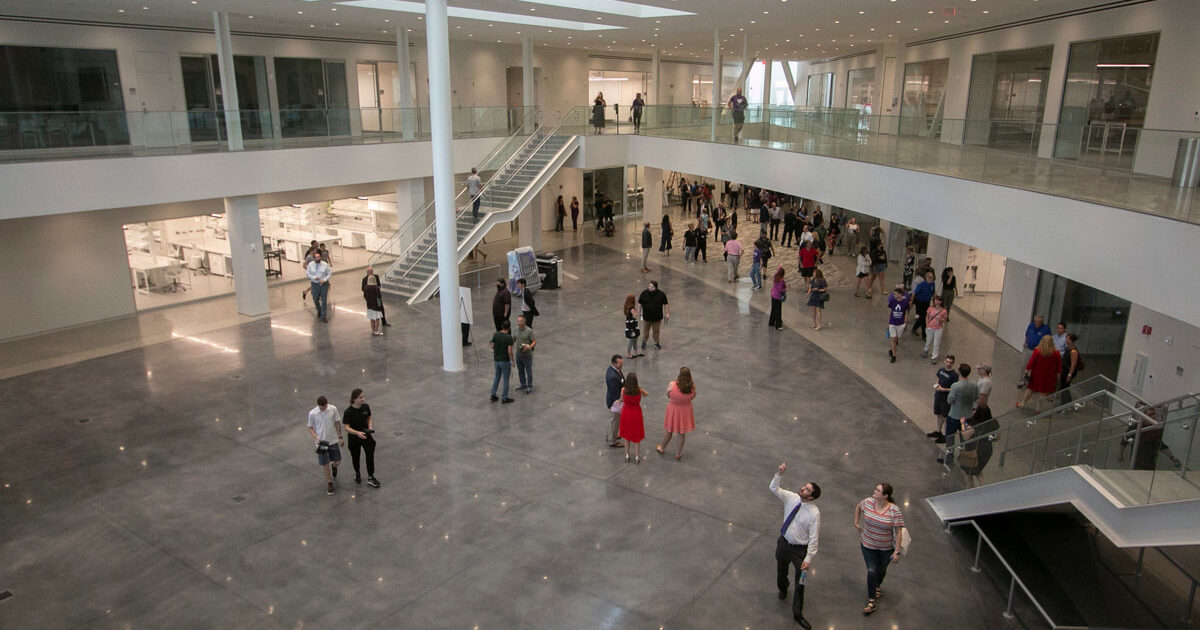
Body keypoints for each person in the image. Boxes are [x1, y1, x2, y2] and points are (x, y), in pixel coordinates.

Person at [770, 462, 821, 629]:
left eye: (807, 490)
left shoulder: (813, 513)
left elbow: (814, 537)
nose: (803, 489)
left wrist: (809, 557)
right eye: (804, 487)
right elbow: (774, 489)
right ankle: (783, 588)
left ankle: (798, 613)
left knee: (801, 581)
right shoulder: (792, 498)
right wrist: (779, 473)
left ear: (811, 497)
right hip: (784, 543)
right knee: (780, 571)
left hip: (799, 550)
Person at [853, 483, 905, 616]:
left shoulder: (894, 510)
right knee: (871, 570)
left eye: (878, 490)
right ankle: (871, 600)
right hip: (867, 544)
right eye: (875, 488)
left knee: (881, 569)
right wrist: (856, 522)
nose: (874, 491)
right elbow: (858, 507)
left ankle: (877, 585)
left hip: (886, 548)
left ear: (885, 496)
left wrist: (896, 551)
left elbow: (899, 532)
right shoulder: (868, 502)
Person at [940, 363, 978, 465]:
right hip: (967, 416)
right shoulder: (974, 385)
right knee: (964, 438)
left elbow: (950, 400)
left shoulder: (955, 386)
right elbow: (976, 398)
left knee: (950, 438)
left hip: (954, 415)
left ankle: (949, 459)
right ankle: (963, 457)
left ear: (959, 372)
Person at [342, 388, 381, 488]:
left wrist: (370, 425)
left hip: (366, 436)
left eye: (363, 397)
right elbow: (346, 427)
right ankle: (357, 473)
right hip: (354, 438)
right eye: (360, 398)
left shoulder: (365, 407)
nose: (363, 399)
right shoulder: (348, 412)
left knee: (370, 455)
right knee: (355, 457)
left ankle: (371, 476)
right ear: (354, 399)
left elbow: (369, 417)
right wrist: (357, 433)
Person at [657, 367, 697, 460]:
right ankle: (678, 454)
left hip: (673, 410)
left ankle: (662, 448)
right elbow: (693, 396)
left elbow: (668, 394)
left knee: (669, 431)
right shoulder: (692, 387)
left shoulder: (672, 384)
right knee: (681, 433)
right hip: (685, 411)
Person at [307, 395, 343, 496]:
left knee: (338, 461)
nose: (325, 408)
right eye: (323, 407)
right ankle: (329, 483)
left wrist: (340, 437)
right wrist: (316, 437)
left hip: (333, 440)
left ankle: (334, 466)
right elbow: (310, 427)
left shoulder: (333, 409)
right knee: (325, 464)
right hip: (321, 443)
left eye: (326, 405)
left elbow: (337, 423)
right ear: (319, 406)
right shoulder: (313, 413)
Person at [960, 400, 998, 487]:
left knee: (968, 471)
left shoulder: (973, 424)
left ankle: (971, 489)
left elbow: (965, 436)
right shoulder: (990, 422)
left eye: (973, 410)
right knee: (978, 470)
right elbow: (997, 436)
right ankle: (982, 487)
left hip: (974, 451)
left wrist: (963, 423)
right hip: (987, 450)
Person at [1019, 335, 1061, 409]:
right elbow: (1058, 367)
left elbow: (1031, 363)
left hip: (1037, 375)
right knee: (1042, 392)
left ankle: (1023, 403)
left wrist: (1026, 372)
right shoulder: (1056, 353)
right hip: (1049, 376)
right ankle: (1038, 408)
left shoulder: (1037, 351)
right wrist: (1058, 377)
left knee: (1030, 389)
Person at [927, 354, 959, 444]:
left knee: (945, 417)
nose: (948, 364)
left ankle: (946, 435)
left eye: (950, 362)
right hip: (938, 396)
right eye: (947, 361)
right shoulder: (941, 370)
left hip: (945, 399)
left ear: (953, 363)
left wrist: (943, 389)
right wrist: (937, 384)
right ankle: (938, 431)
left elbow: (953, 389)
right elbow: (938, 379)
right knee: (938, 415)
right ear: (945, 361)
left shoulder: (954, 375)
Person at [619, 372, 648, 464]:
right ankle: (636, 457)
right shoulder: (638, 390)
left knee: (627, 436)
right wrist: (641, 390)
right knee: (637, 436)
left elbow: (622, 400)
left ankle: (627, 455)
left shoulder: (623, 390)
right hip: (636, 413)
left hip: (626, 412)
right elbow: (646, 394)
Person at [1020, 315, 1052, 386]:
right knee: (1024, 365)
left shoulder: (1046, 329)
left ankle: (1032, 383)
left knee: (1035, 368)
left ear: (1042, 322)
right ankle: (1022, 381)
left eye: (1039, 322)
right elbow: (1027, 335)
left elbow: (1049, 340)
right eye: (1036, 321)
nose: (1037, 323)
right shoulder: (1031, 326)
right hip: (1028, 349)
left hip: (1038, 352)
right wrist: (1025, 342)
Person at [637, 280, 669, 350]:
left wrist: (667, 313)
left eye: (652, 287)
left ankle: (656, 343)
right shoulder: (644, 293)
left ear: (656, 288)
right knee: (646, 331)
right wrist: (639, 312)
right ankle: (644, 342)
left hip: (657, 319)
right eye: (649, 286)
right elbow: (640, 303)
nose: (650, 288)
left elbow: (665, 304)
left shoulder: (661, 294)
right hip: (647, 318)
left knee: (656, 332)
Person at [489, 319, 515, 403]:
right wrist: (513, 361)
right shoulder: (509, 337)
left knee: (497, 376)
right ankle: (504, 397)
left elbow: (492, 346)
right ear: (509, 327)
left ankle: (493, 394)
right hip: (505, 361)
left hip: (496, 360)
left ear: (502, 326)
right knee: (506, 379)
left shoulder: (496, 334)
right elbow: (509, 351)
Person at [886, 284, 911, 363]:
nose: (894, 295)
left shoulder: (905, 303)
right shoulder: (892, 302)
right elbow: (890, 312)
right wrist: (888, 323)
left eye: (896, 294)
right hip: (893, 323)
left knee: (896, 338)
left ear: (900, 294)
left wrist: (905, 323)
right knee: (893, 339)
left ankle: (891, 349)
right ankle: (894, 355)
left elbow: (906, 313)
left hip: (900, 323)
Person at [921, 294, 949, 363]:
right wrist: (927, 325)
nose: (937, 302)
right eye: (936, 300)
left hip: (938, 329)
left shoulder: (944, 311)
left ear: (941, 301)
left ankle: (934, 356)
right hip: (930, 327)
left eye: (939, 300)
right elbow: (927, 316)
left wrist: (941, 319)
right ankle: (926, 350)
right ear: (934, 301)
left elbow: (945, 320)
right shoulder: (930, 308)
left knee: (936, 343)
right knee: (928, 341)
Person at [306, 250, 332, 322]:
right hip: (314, 284)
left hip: (323, 284)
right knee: (315, 299)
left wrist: (324, 280)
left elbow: (329, 274)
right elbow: (308, 274)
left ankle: (323, 316)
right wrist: (314, 277)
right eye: (316, 257)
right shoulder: (310, 265)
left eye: (319, 257)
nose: (318, 258)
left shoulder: (325, 265)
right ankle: (319, 310)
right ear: (314, 258)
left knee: (324, 300)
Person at [605, 355, 625, 448]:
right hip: (614, 401)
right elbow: (615, 392)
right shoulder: (613, 376)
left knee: (613, 420)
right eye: (620, 363)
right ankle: (612, 441)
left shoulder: (614, 369)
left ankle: (610, 435)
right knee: (615, 421)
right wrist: (619, 401)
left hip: (614, 400)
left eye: (622, 363)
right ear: (614, 363)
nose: (621, 365)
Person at [513, 315, 536, 394]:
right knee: (520, 370)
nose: (519, 323)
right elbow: (514, 338)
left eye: (520, 321)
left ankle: (529, 386)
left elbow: (534, 341)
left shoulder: (529, 331)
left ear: (524, 322)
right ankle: (523, 384)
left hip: (527, 355)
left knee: (528, 370)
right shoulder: (515, 329)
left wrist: (529, 347)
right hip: (518, 354)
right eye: (518, 321)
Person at [911, 270, 936, 340]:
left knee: (922, 318)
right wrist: (911, 302)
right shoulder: (921, 285)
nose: (931, 279)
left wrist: (934, 302)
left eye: (932, 278)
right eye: (929, 277)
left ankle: (914, 328)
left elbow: (933, 293)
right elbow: (914, 293)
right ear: (926, 277)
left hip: (927, 302)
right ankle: (924, 335)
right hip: (920, 302)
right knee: (923, 318)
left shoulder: (933, 284)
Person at [1059, 333, 1083, 404]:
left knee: (1064, 387)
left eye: (1068, 339)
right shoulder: (1068, 348)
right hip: (1064, 370)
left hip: (1068, 371)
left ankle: (1065, 403)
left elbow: (1073, 364)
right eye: (1066, 338)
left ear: (1072, 340)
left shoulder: (1073, 351)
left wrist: (1069, 375)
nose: (1067, 340)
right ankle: (1068, 402)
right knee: (1064, 387)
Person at [866, 227, 888, 298]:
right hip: (877, 260)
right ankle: (881, 289)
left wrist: (873, 228)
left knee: (873, 276)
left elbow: (870, 232)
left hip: (874, 259)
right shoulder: (878, 239)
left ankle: (869, 288)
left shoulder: (872, 238)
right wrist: (879, 228)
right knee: (875, 277)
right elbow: (883, 233)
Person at [623, 294, 642, 359]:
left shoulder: (626, 306)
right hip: (633, 326)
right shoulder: (632, 308)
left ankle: (636, 351)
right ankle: (628, 353)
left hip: (629, 326)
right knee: (632, 339)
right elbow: (635, 316)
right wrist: (638, 313)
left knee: (635, 338)